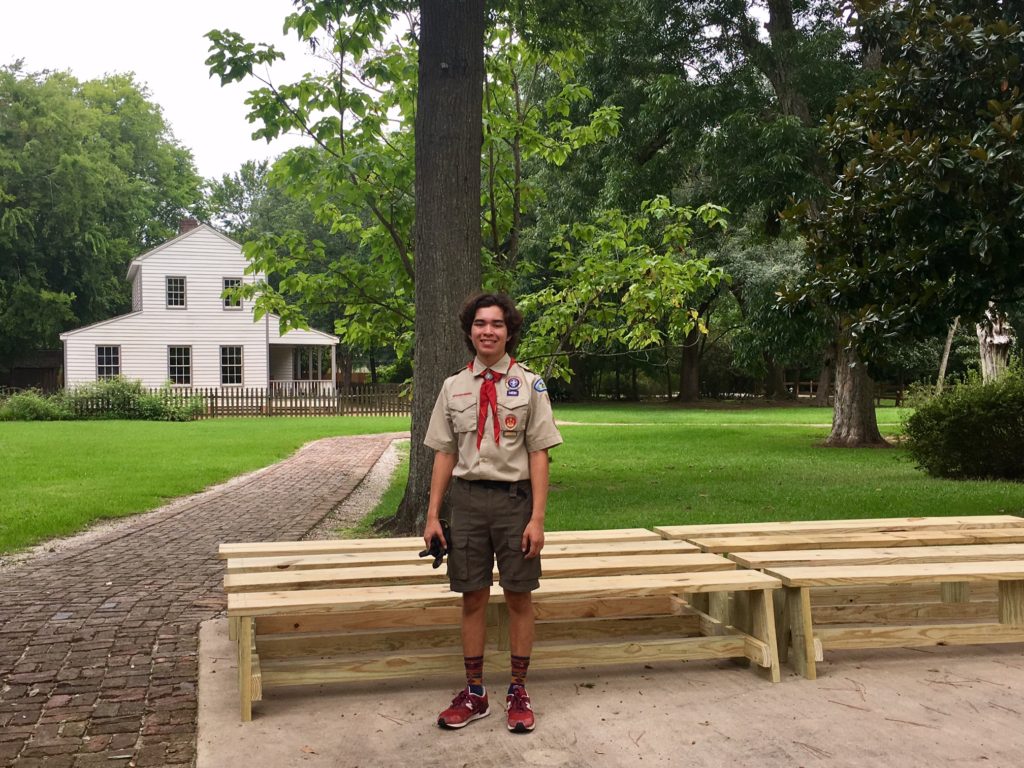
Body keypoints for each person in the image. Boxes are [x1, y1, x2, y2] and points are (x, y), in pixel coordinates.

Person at [422, 292, 562, 733]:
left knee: (519, 595)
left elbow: (539, 453)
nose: (488, 331)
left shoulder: (531, 385)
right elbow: (444, 453)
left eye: (497, 324)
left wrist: (537, 518)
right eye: (480, 323)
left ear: (509, 331)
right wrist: (432, 515)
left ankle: (518, 690)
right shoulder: (453, 387)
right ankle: (475, 693)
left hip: (514, 504)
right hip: (466, 503)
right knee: (473, 596)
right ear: (470, 331)